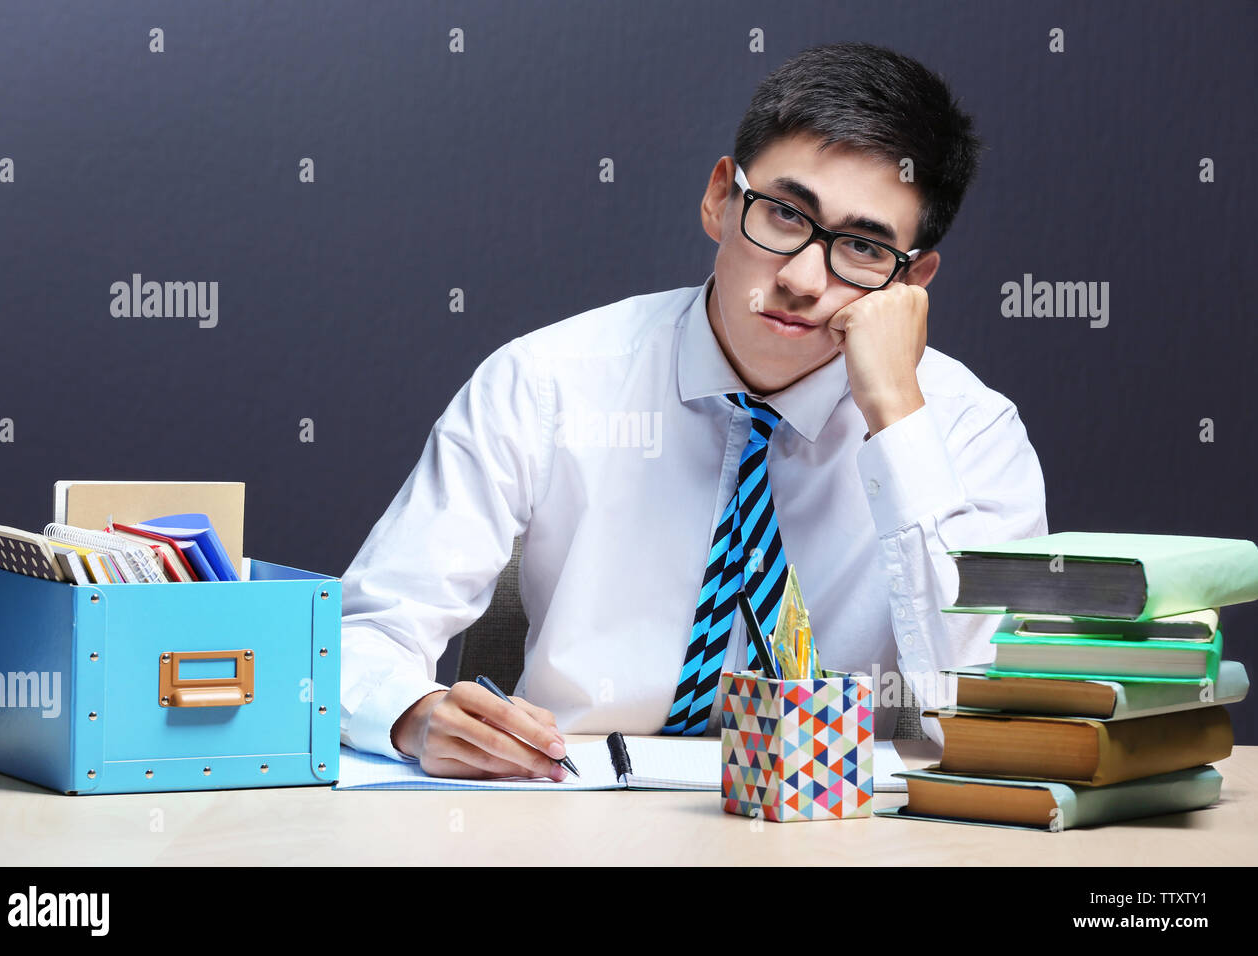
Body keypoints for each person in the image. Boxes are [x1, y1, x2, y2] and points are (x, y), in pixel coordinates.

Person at [340, 41, 1047, 780]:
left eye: (864, 249)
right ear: (720, 198)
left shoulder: (967, 432)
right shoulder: (545, 382)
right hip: (569, 807)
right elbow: (365, 634)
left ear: (915, 280)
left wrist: (896, 414)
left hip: (834, 823)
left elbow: (986, 706)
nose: (805, 279)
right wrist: (413, 714)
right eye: (782, 215)